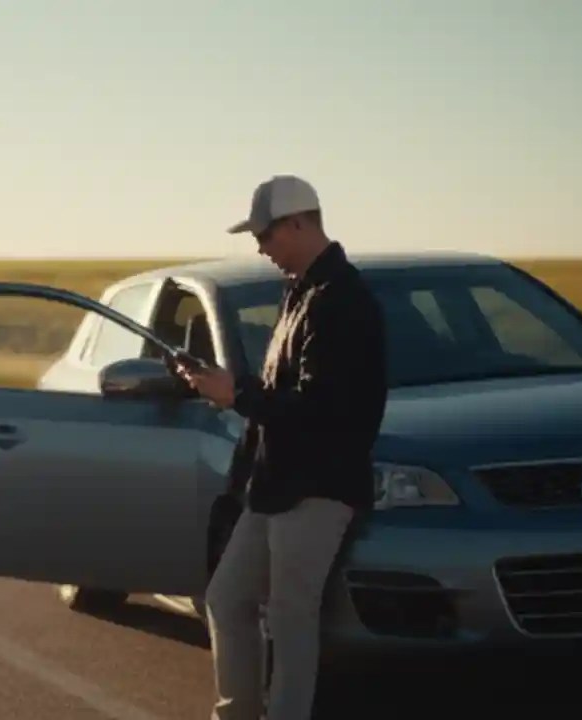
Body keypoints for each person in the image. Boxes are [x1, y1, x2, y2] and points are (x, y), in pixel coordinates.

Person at [174, 175, 388, 720]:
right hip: (274, 487)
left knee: (292, 617)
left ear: (298, 224)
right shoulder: (302, 291)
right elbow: (281, 399)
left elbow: (323, 408)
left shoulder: (342, 300)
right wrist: (230, 402)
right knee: (227, 599)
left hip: (318, 489)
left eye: (266, 235)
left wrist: (237, 392)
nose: (260, 248)